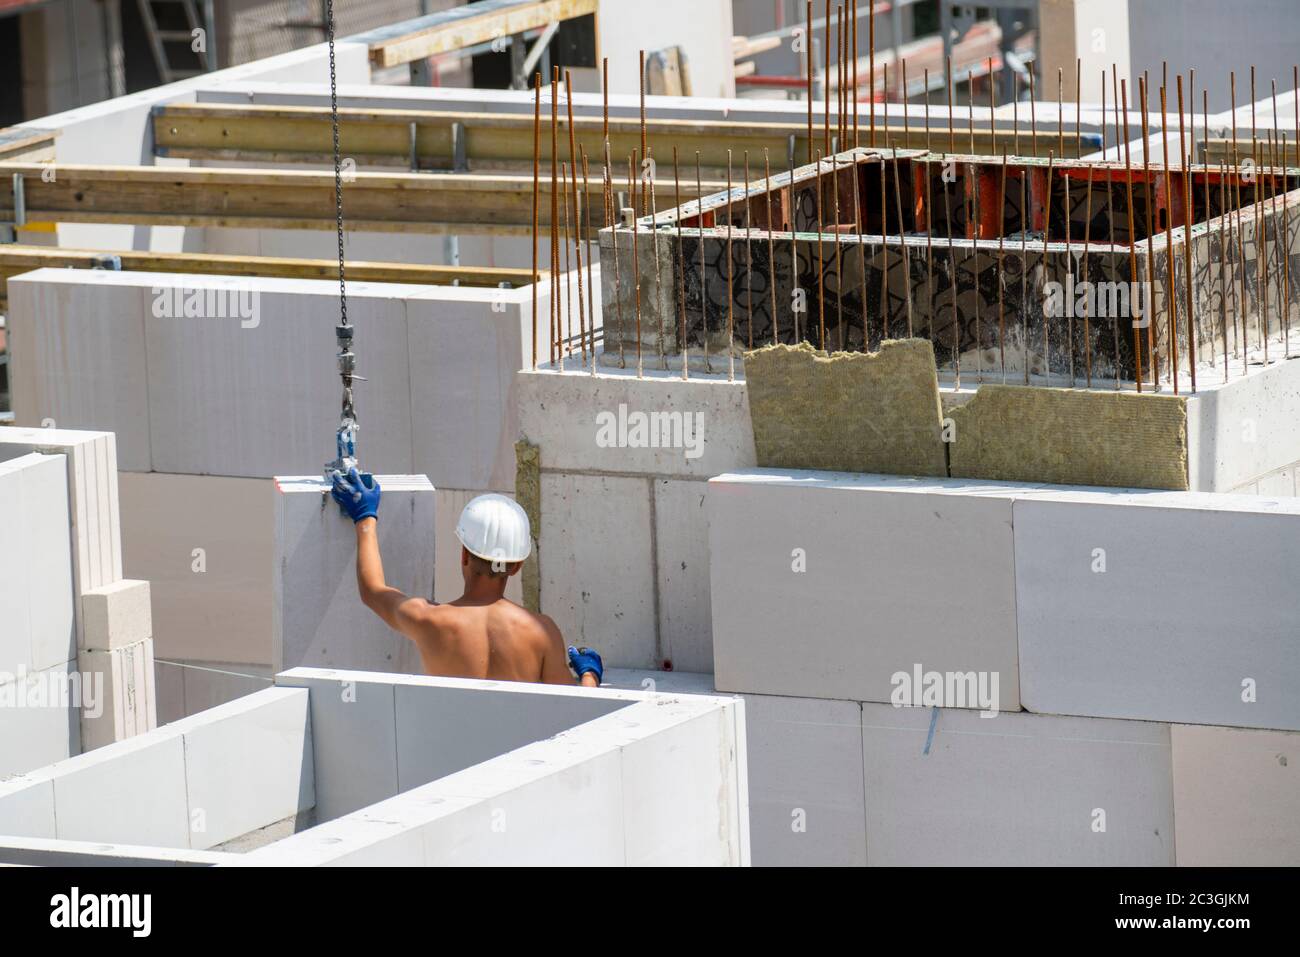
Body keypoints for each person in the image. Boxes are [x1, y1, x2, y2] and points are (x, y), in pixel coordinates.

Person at [330, 468, 602, 687]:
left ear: (464, 555)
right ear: (517, 566)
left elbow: (372, 590)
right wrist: (589, 674)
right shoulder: (542, 632)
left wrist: (365, 517)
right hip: (520, 755)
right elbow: (572, 705)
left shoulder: (427, 619)